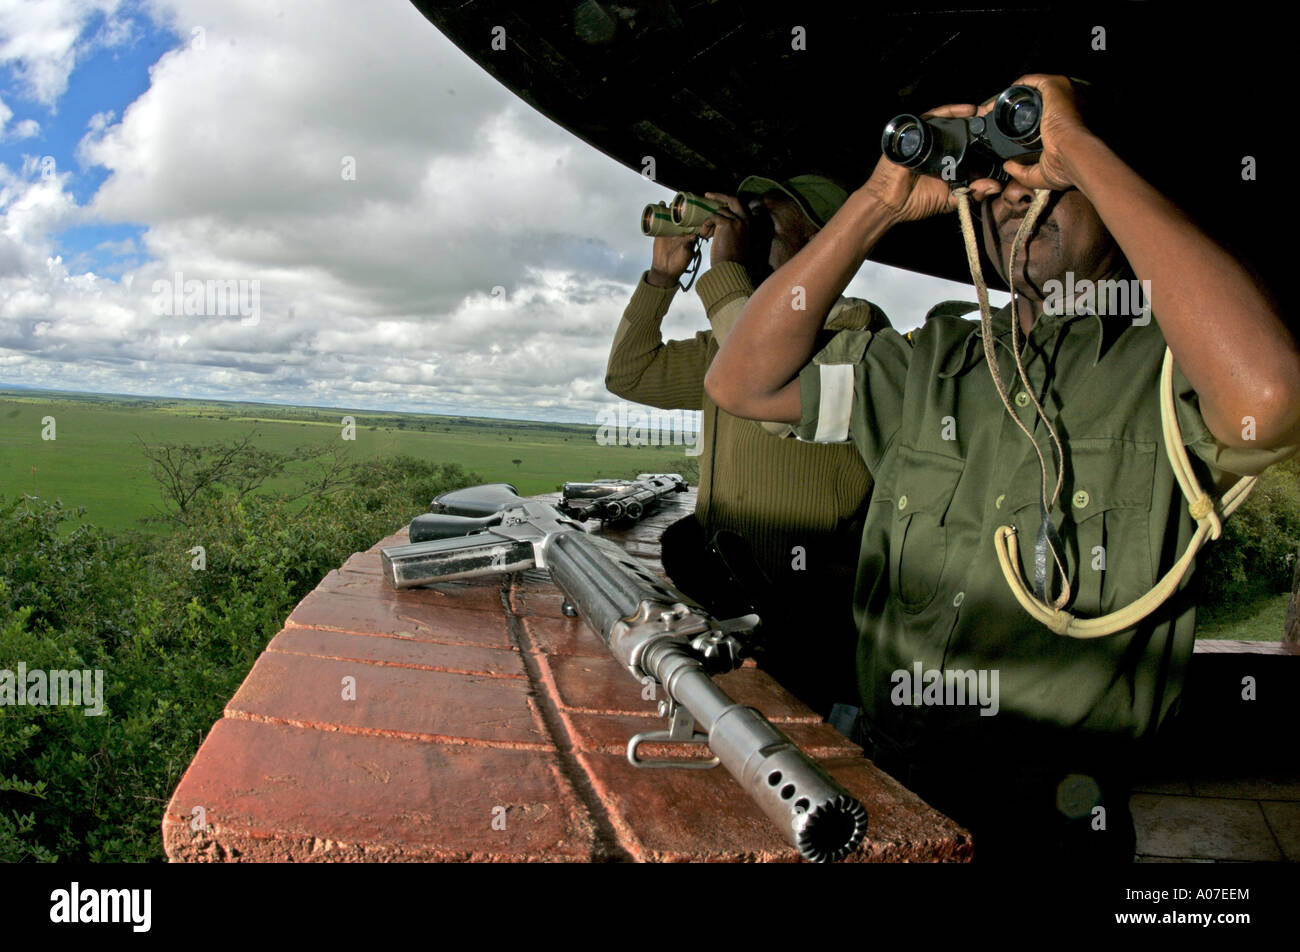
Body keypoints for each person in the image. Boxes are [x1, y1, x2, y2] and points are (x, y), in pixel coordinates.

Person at [703, 75, 1300, 861]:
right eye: (997, 190)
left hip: (1052, 817)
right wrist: (877, 203)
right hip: (888, 781)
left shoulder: (1161, 370)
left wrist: (1082, 151)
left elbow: (1272, 397)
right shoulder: (931, 361)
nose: (1017, 200)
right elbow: (741, 383)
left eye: (1049, 185)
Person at [605, 175, 891, 717]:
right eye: (745, 222)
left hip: (809, 615)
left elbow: (763, 363)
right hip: (725, 603)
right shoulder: (728, 341)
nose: (744, 236)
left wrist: (725, 271)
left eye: (766, 223)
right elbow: (629, 374)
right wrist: (662, 277)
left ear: (825, 243)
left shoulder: (859, 336)